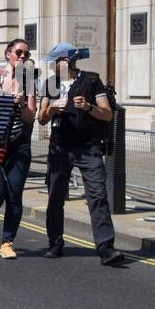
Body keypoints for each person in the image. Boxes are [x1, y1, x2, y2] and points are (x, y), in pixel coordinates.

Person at [38, 43, 127, 266]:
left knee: (97, 196)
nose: (52, 65)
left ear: (65, 61)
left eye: (55, 61)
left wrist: (88, 107)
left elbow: (107, 115)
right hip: (60, 147)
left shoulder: (91, 80)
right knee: (56, 196)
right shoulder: (51, 84)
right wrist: (52, 109)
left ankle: (106, 248)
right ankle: (55, 242)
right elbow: (41, 118)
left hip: (88, 147)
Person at [0, 39, 37, 258]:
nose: (22, 57)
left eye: (26, 54)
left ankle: (7, 242)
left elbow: (30, 117)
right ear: (8, 54)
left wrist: (22, 104)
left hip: (17, 145)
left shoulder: (28, 82)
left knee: (14, 195)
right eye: (19, 52)